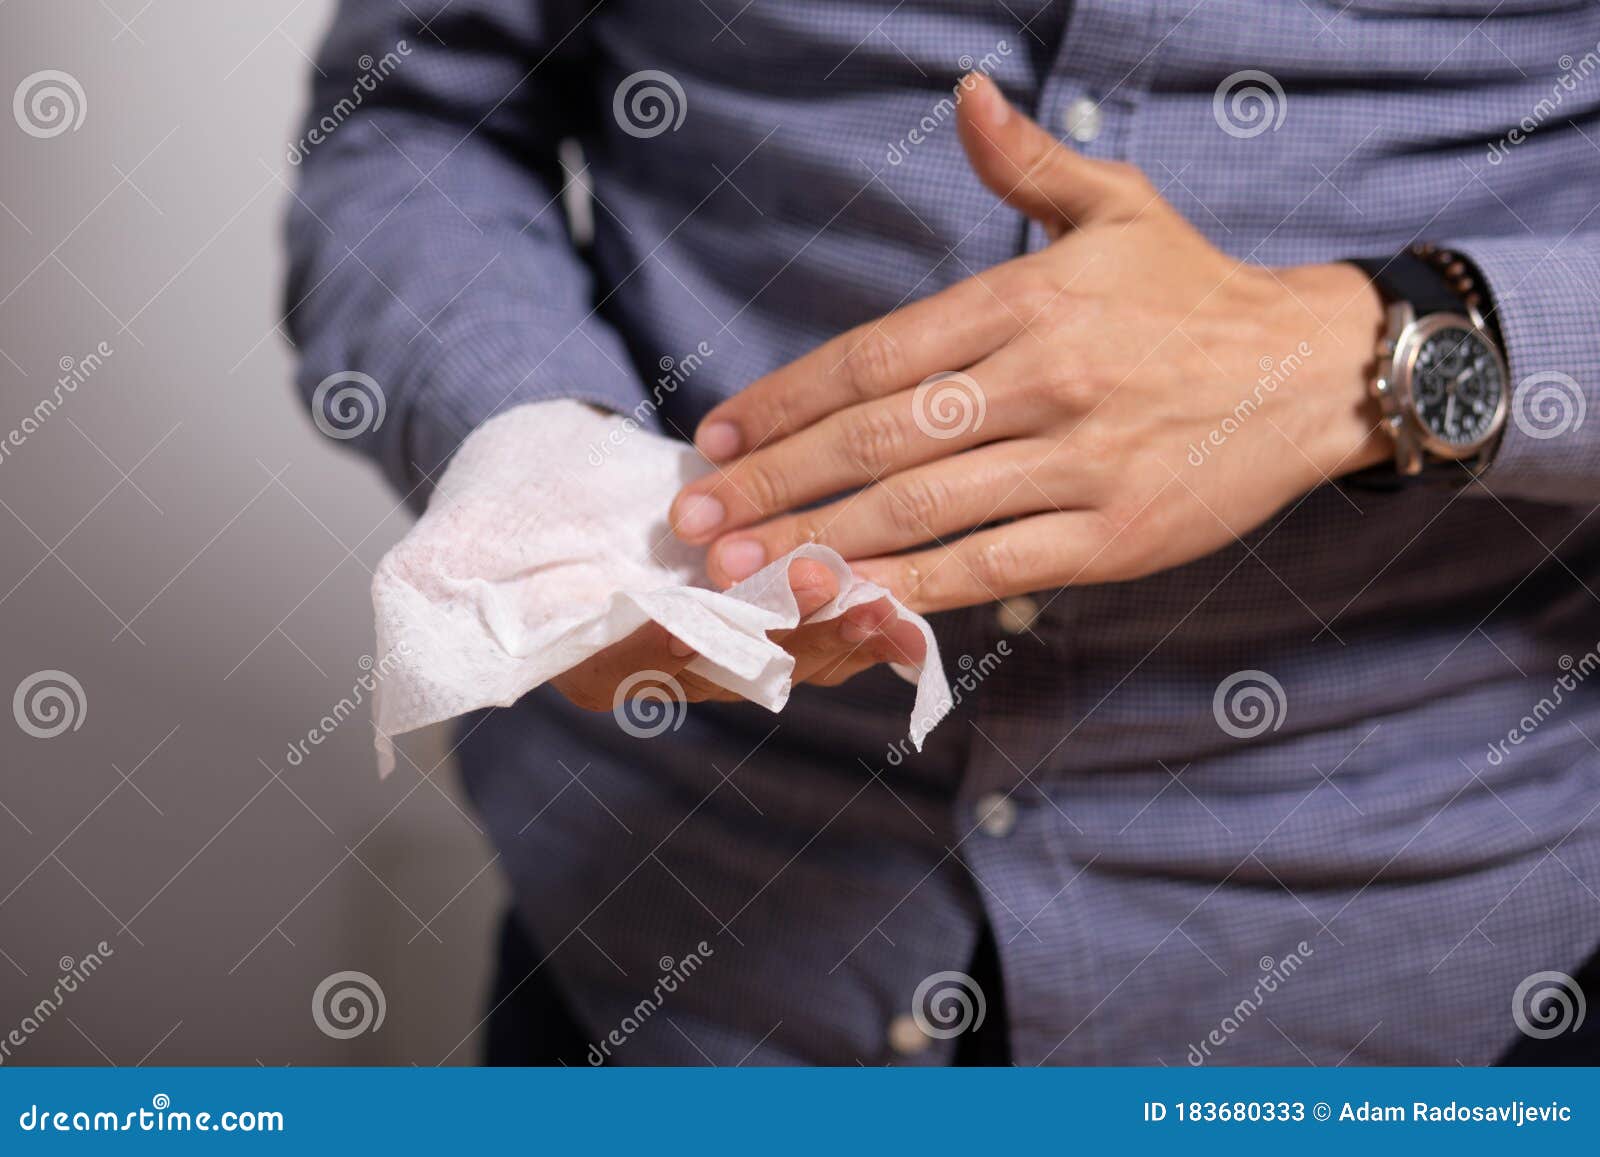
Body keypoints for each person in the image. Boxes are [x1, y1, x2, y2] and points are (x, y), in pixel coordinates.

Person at [286, 0, 1600, 1065]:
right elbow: (412, 120)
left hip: (1433, 973)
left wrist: (1388, 354)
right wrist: (566, 491)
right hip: (673, 946)